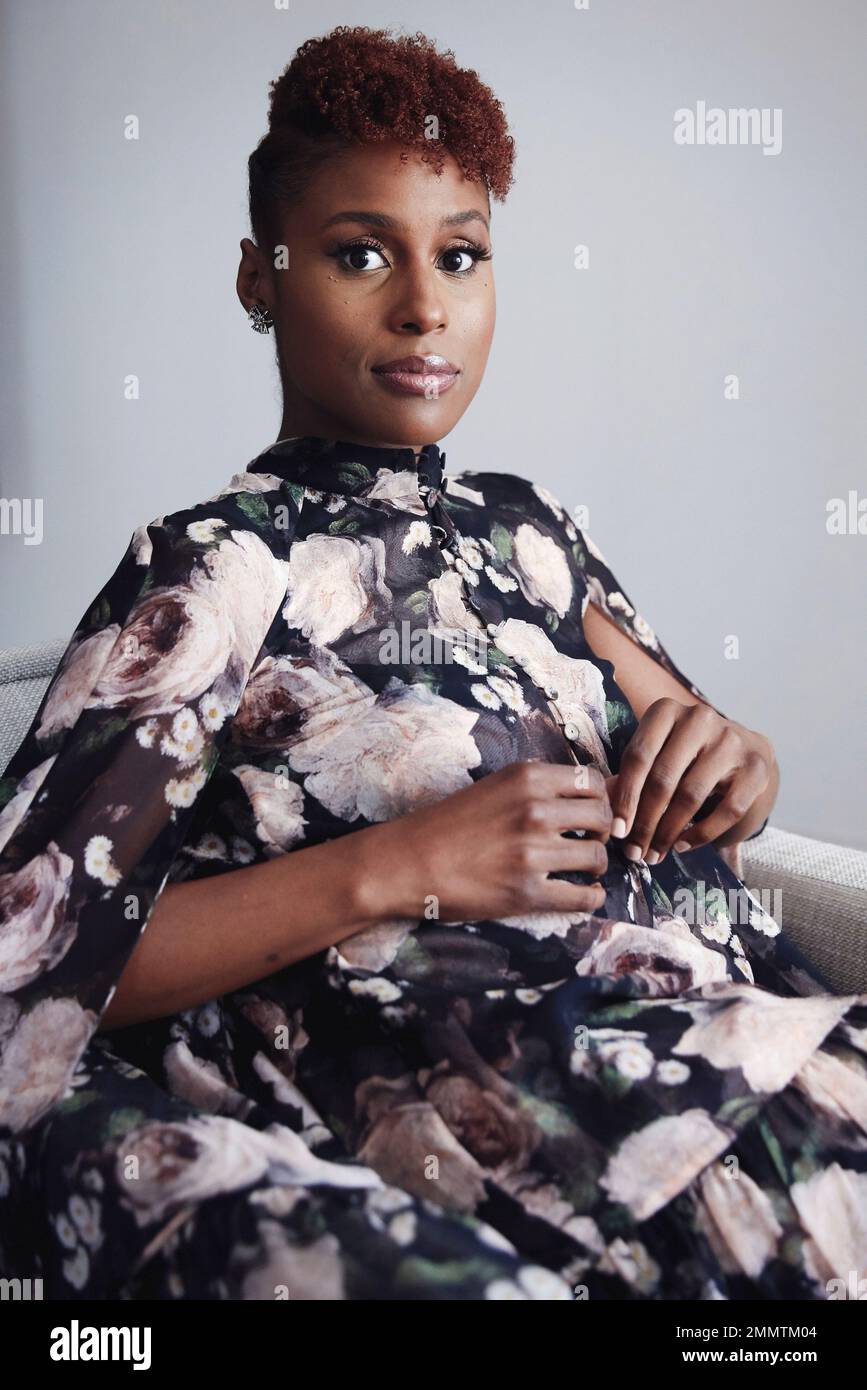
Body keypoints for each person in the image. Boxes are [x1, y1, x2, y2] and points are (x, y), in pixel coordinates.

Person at [1, 25, 864, 1303]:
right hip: (509, 1110)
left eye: (460, 254)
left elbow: (698, 752)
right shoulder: (216, 566)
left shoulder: (539, 528)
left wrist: (740, 760)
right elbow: (37, 954)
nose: (425, 303)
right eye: (362, 254)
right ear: (260, 275)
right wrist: (400, 865)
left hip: (721, 1038)